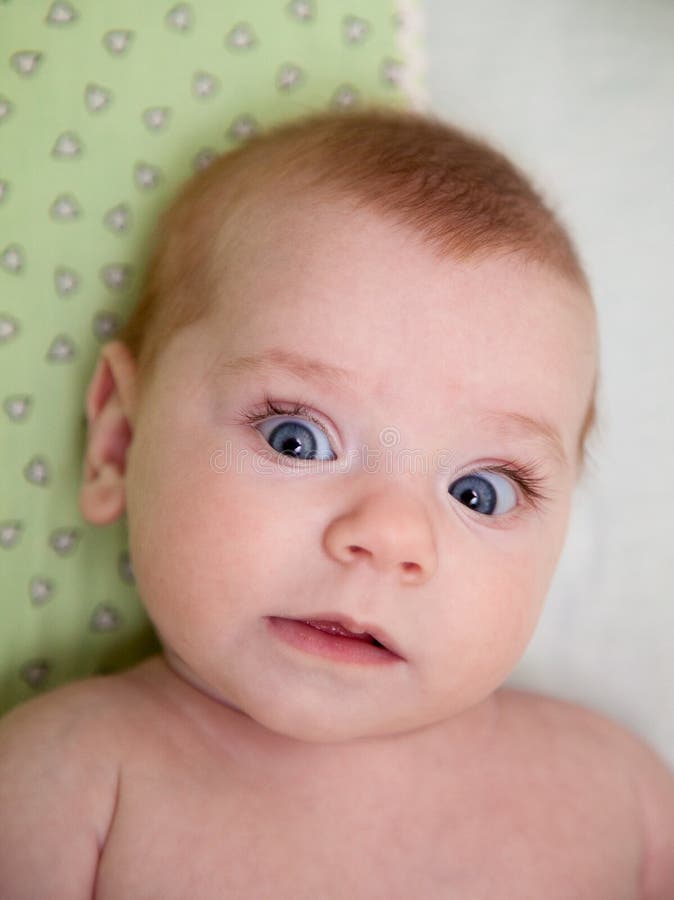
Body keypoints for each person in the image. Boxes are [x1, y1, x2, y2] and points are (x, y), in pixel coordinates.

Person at [1, 107, 672, 898]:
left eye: (479, 492)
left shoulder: (620, 796)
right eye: (296, 437)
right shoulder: (68, 786)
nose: (389, 537)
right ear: (119, 441)